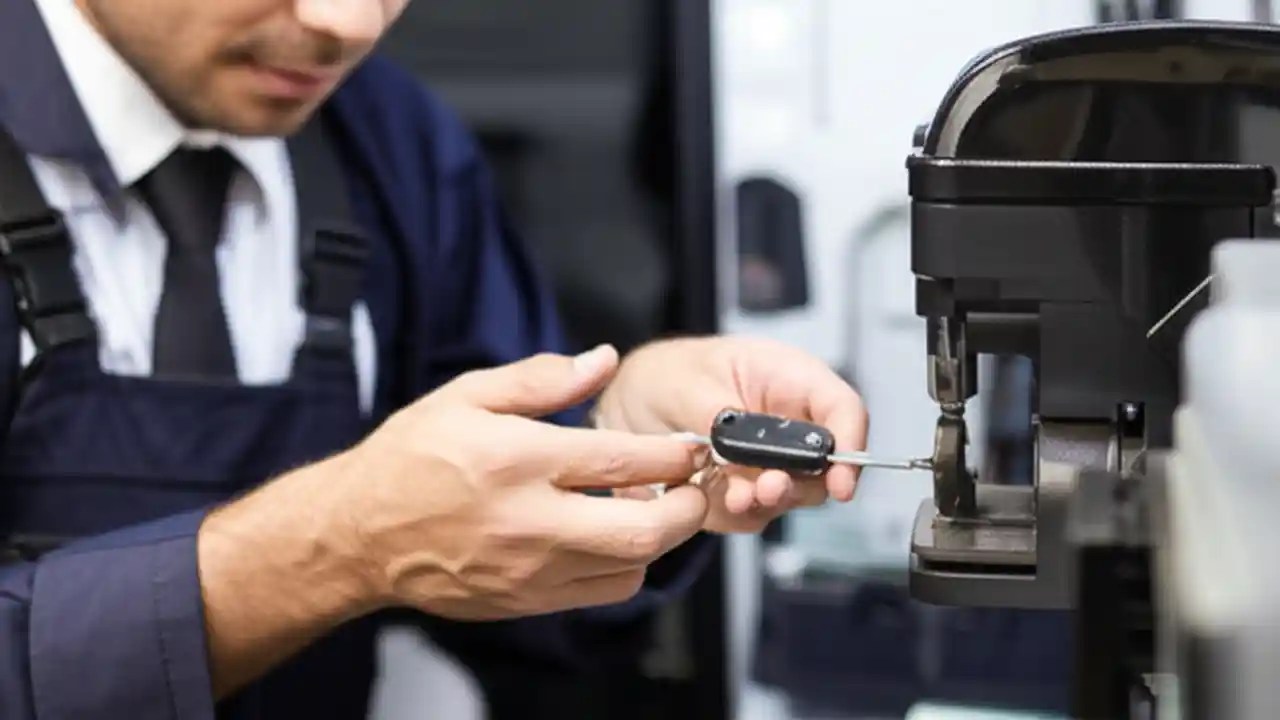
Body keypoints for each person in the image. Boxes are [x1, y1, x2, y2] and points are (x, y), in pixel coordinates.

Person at [0, 0, 870, 718]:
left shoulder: (388, 140)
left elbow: (488, 566)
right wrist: (334, 544)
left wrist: (615, 444)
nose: (348, 25)